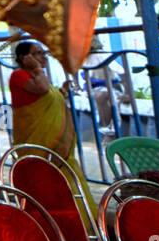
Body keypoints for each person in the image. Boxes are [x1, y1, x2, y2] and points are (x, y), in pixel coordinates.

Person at [10, 40, 97, 213]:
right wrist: (36, 68)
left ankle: (77, 224)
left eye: (44, 53)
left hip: (55, 145)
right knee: (42, 178)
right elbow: (41, 90)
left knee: (64, 178)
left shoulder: (38, 77)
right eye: (37, 53)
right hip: (36, 141)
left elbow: (50, 98)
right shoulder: (19, 76)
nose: (43, 57)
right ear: (23, 57)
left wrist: (62, 92)